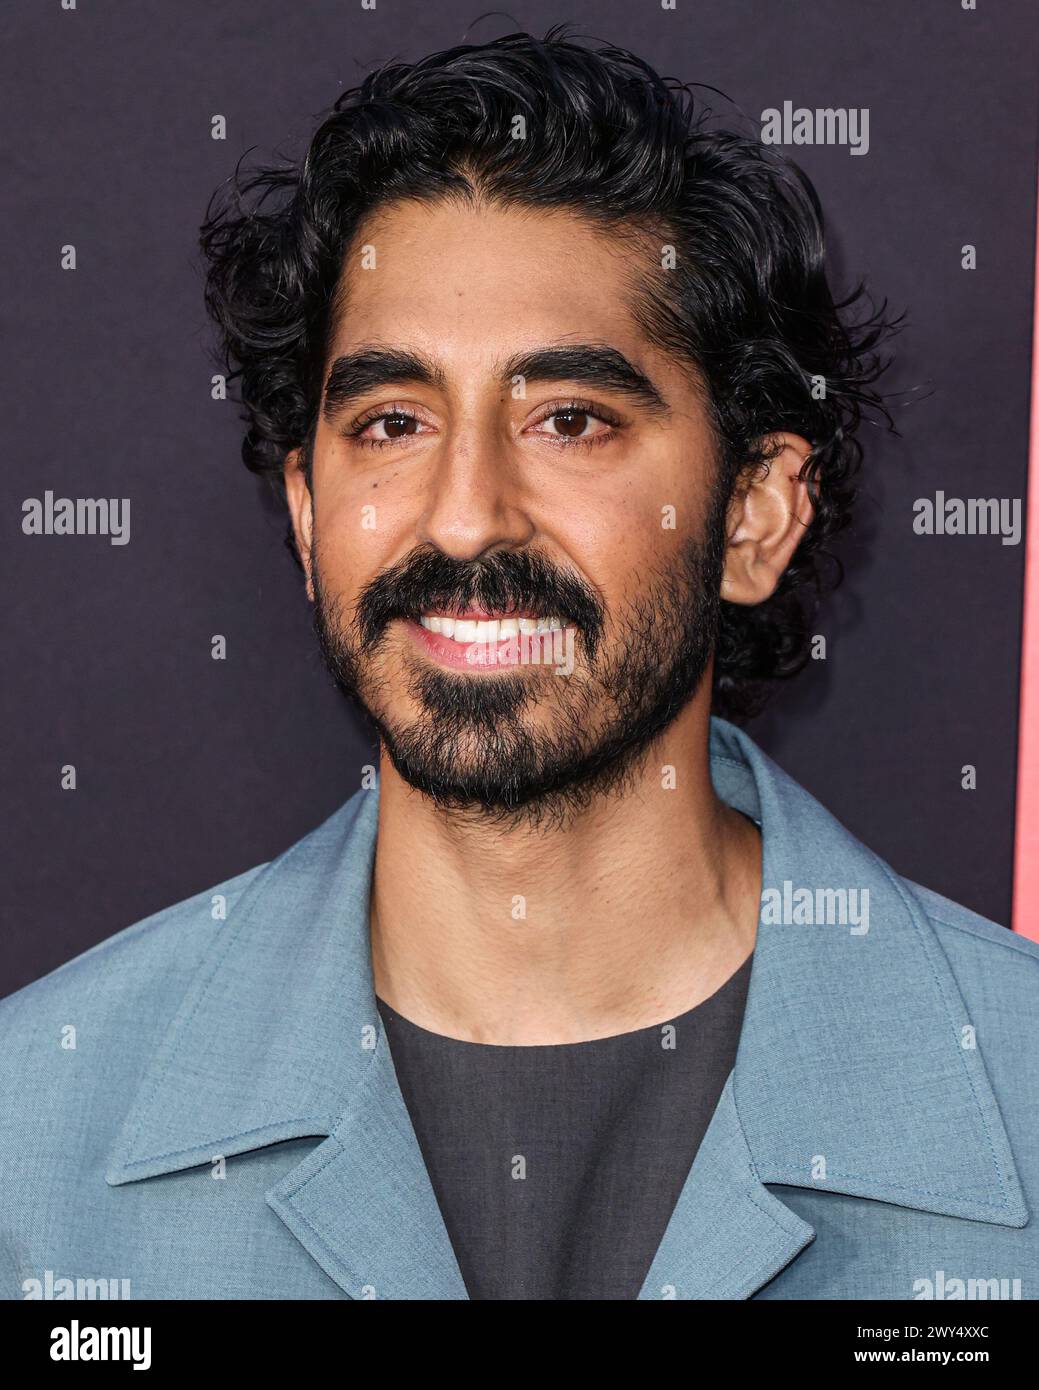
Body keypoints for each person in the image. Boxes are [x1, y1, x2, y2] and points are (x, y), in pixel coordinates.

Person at [2, 27, 1036, 1302]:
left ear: (755, 512)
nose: (466, 514)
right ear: (312, 518)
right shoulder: (34, 1140)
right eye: (392, 422)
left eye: (570, 421)